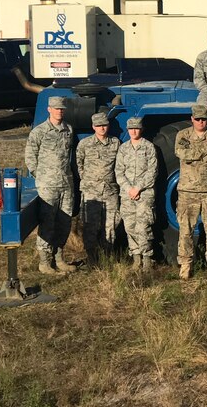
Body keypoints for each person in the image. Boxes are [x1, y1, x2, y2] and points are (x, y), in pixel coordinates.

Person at [25, 95, 76, 275]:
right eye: (56, 108)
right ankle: (44, 262)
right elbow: (30, 157)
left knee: (64, 221)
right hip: (47, 185)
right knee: (47, 222)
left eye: (61, 108)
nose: (59, 111)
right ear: (49, 109)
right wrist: (40, 176)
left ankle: (59, 257)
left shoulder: (68, 129)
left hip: (65, 183)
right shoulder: (39, 132)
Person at [175, 104, 207, 279]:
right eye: (197, 119)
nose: (200, 122)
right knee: (186, 229)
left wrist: (196, 153)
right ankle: (185, 264)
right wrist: (206, 151)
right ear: (192, 119)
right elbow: (183, 153)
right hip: (187, 191)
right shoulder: (183, 135)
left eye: (203, 119)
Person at [76, 112, 120, 264]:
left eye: (105, 125)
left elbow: (119, 166)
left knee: (111, 225)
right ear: (93, 126)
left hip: (110, 190)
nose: (102, 128)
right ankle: (92, 259)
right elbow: (79, 164)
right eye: (99, 125)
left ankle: (107, 257)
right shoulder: (85, 144)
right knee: (91, 226)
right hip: (91, 191)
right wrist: (89, 180)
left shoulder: (115, 143)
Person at [114, 117, 158, 271]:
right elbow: (119, 172)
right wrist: (128, 189)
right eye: (131, 129)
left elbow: (152, 171)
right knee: (129, 226)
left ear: (141, 129)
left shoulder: (149, 147)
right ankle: (136, 257)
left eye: (137, 128)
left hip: (144, 193)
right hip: (127, 194)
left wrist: (138, 188)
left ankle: (147, 258)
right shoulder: (123, 149)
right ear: (127, 130)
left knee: (143, 226)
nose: (134, 131)